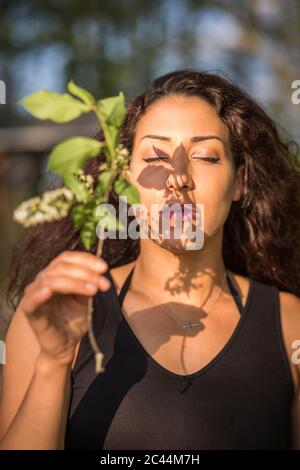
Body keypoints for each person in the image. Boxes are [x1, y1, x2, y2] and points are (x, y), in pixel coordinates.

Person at [0, 69, 300, 450]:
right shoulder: (52, 310)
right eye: (156, 155)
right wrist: (53, 361)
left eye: (206, 156)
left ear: (240, 182)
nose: (178, 177)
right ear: (123, 176)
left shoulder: (291, 325)